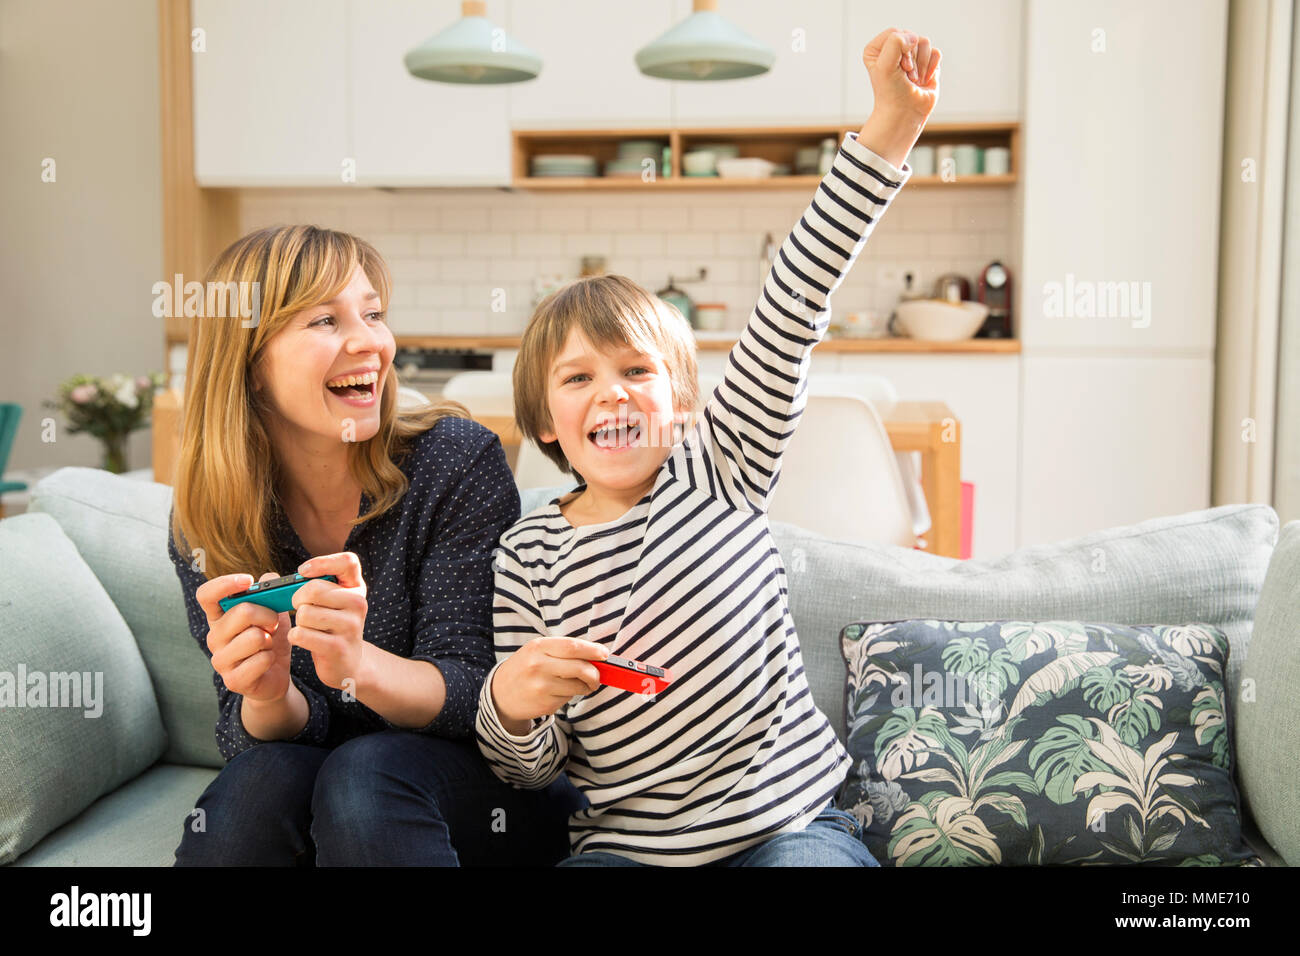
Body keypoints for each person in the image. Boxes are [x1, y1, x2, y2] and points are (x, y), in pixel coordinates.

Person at [474, 28, 940, 866]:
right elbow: (531, 770)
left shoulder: (720, 466)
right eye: (577, 380)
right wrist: (509, 706)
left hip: (789, 830)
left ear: (680, 400)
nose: (610, 392)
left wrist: (890, 132)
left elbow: (793, 302)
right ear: (544, 422)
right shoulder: (526, 554)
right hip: (622, 850)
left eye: (634, 371)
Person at [167, 225, 583, 866]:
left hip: (481, 790)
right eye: (325, 320)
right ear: (250, 367)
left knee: (364, 772)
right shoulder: (208, 518)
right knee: (254, 787)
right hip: (327, 788)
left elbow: (480, 692)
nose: (370, 343)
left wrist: (360, 665)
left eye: (373, 314)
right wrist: (268, 692)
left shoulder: (453, 462)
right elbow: (258, 737)